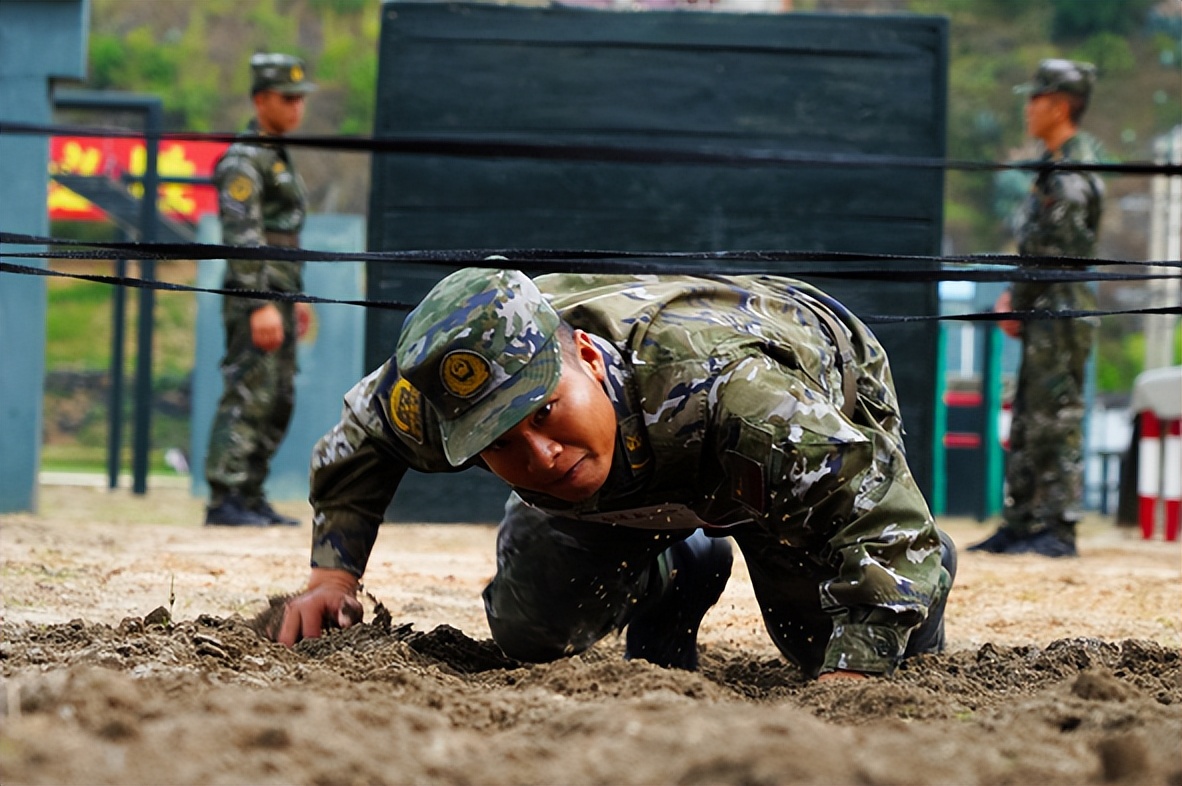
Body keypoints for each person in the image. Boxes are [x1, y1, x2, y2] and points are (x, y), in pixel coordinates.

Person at [267, 268, 957, 680]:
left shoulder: (747, 397)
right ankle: (682, 565)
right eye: (499, 442)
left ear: (589, 362)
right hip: (627, 482)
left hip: (801, 400)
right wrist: (333, 577)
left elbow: (880, 519)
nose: (539, 456)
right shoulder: (440, 393)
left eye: (545, 410)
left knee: (831, 645)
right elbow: (358, 436)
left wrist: (857, 671)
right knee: (529, 633)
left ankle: (919, 590)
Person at [970, 59, 1104, 558]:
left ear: (1061, 105)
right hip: (1046, 306)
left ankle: (1056, 528)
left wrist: (1019, 299)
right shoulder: (1056, 164)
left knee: (1056, 415)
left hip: (1061, 307)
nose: (1028, 108)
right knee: (1029, 413)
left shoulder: (1072, 171)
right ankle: (1024, 522)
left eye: (1037, 98)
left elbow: (1057, 252)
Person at [204, 53, 316, 527]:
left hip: (281, 289)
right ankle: (225, 496)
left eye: (300, 99)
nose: (297, 108)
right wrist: (260, 303)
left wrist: (296, 298)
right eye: (287, 99)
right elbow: (244, 236)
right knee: (250, 391)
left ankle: (250, 492)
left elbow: (283, 237)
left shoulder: (274, 153)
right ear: (261, 99)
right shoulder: (244, 159)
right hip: (258, 292)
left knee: (278, 396)